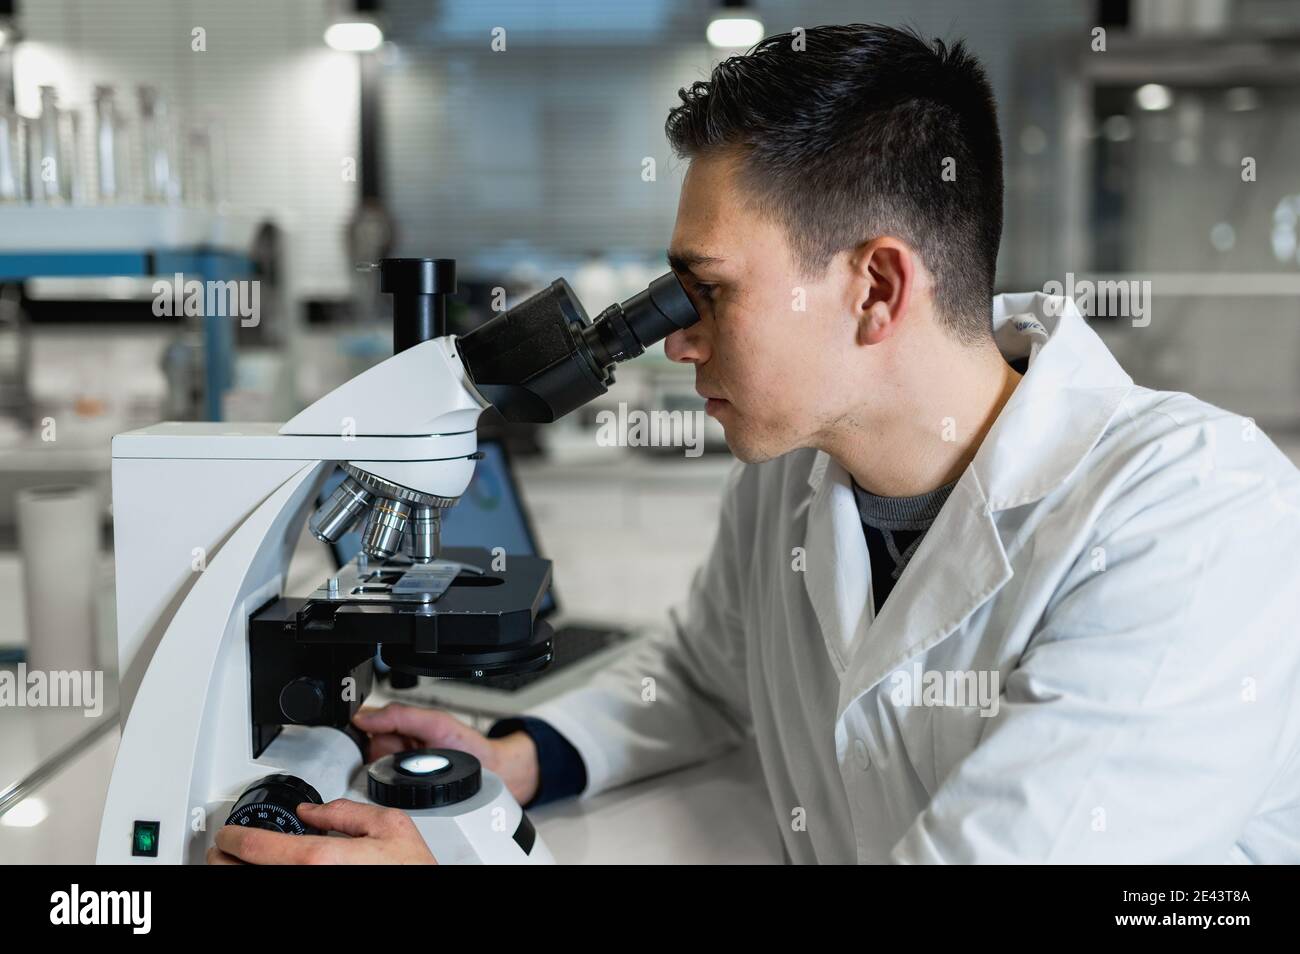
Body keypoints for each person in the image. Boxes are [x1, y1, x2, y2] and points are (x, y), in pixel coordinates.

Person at [210, 23, 1300, 865]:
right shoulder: (793, 479)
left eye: (708, 293)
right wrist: (520, 757)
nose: (675, 342)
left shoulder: (1197, 522)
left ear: (874, 288)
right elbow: (697, 676)